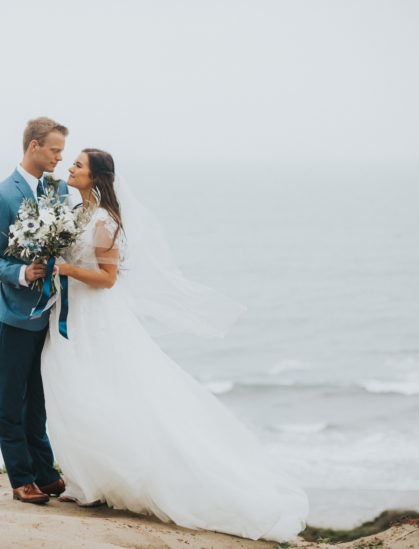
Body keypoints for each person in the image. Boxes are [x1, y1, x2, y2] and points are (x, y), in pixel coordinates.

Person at [40, 148, 309, 542]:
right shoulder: (75, 214)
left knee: (100, 390)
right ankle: (88, 480)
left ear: (96, 177)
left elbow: (108, 279)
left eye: (78, 165)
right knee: (71, 387)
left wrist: (64, 268)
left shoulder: (103, 222)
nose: (70, 168)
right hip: (70, 313)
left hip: (95, 319)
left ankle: (116, 480)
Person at [0, 117, 69, 504]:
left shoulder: (60, 191)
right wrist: (21, 272)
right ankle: (21, 477)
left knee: (39, 397)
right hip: (15, 315)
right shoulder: (1, 196)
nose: (60, 158)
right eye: (55, 149)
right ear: (33, 146)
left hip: (53, 311)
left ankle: (45, 472)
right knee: (12, 396)